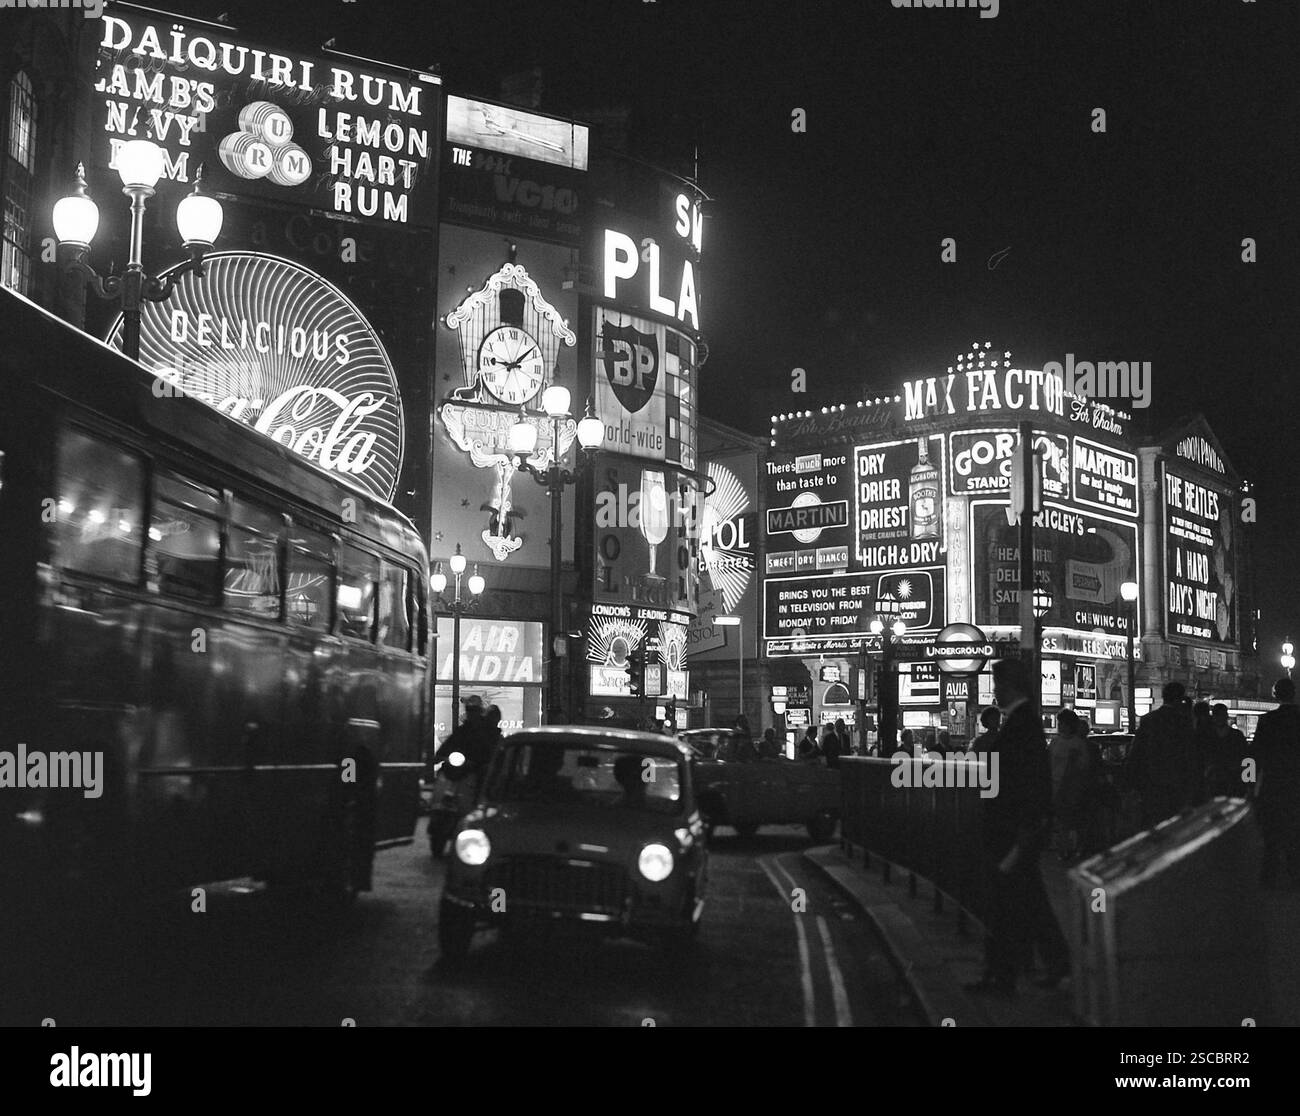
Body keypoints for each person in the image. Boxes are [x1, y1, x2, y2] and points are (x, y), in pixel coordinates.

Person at [965, 657, 1070, 998]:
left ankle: (1004, 975)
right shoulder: (1023, 721)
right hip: (1019, 829)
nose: (995, 689)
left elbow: (1026, 780)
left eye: (998, 684)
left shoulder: (1022, 724)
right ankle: (1051, 962)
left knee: (1005, 903)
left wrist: (1025, 828)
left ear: (1012, 686)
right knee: (1027, 900)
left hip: (1014, 831)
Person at [1126, 681, 1201, 826]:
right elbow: (1191, 755)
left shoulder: (1148, 720)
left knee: (1154, 824)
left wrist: (1133, 782)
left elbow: (1136, 753)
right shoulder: (1183, 722)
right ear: (1180, 699)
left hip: (1152, 784)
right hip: (1177, 786)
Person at [1252, 678, 1300, 887]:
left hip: (1274, 784)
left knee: (1272, 831)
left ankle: (1270, 874)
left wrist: (1249, 783)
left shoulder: (1267, 721)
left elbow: (1253, 756)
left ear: (1275, 694)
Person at [1049, 710, 1091, 861]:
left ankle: (1071, 847)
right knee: (1061, 820)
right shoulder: (1055, 742)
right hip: (1056, 785)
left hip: (1071, 787)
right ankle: (1064, 848)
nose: (1060, 726)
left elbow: (1083, 766)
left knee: (1071, 819)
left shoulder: (1077, 744)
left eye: (1062, 723)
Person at [1200, 703, 1250, 798]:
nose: (1219, 718)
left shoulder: (1206, 736)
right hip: (1232, 779)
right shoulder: (1237, 736)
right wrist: (1249, 782)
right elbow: (1247, 759)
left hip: (1214, 779)